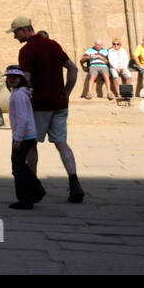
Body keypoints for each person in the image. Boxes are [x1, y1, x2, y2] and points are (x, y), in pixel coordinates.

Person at [11, 16, 85, 203]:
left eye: (15, 32)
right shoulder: (54, 45)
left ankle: (33, 188)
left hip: (39, 105)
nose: (14, 37)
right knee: (61, 143)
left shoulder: (27, 50)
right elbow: (73, 69)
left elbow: (26, 78)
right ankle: (74, 183)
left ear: (25, 30)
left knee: (31, 145)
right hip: (59, 103)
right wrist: (66, 92)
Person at [5, 65, 46, 210]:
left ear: (21, 79)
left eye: (14, 78)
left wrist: (18, 139)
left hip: (23, 136)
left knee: (18, 168)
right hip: (27, 135)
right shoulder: (21, 93)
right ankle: (34, 191)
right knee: (21, 166)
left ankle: (28, 197)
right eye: (9, 77)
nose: (11, 80)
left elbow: (22, 119)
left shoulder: (19, 96)